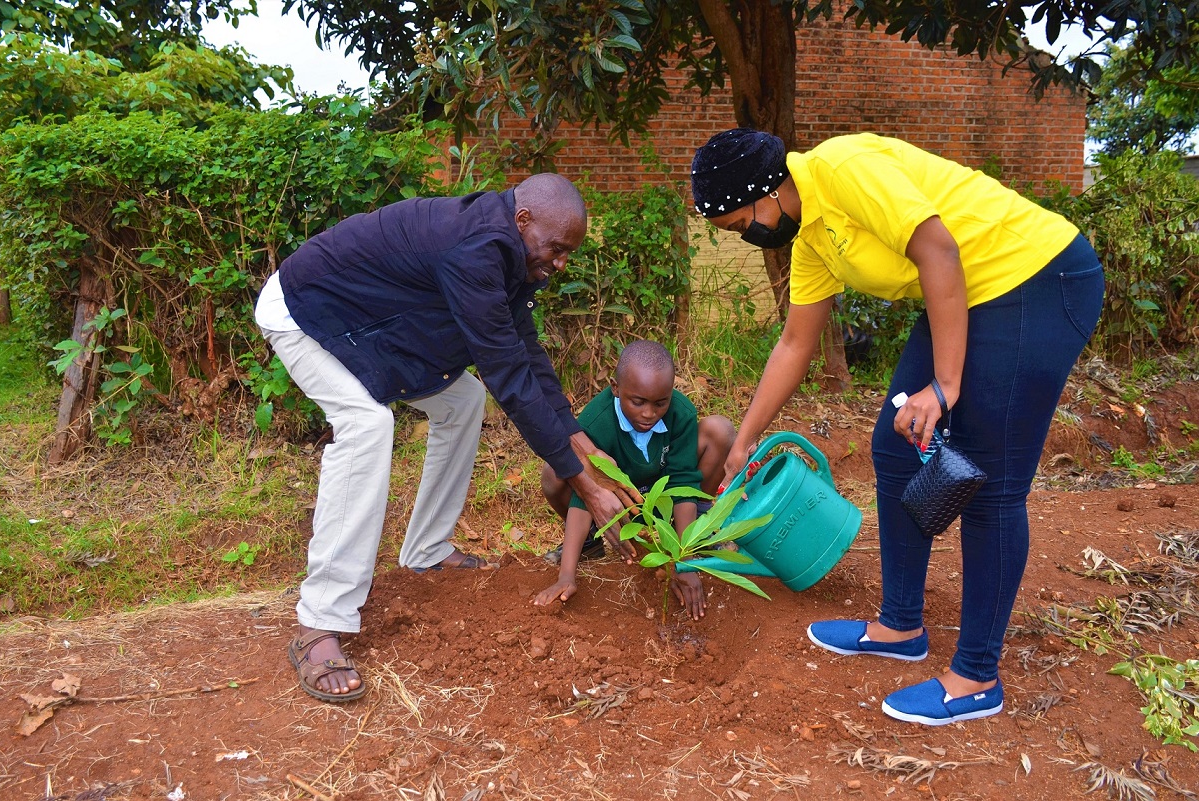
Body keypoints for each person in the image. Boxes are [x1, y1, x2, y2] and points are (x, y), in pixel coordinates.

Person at [691, 128, 1104, 725]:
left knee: (988, 480)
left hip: (1035, 278)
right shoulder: (809, 236)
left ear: (767, 189)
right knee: (895, 444)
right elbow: (794, 342)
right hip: (970, 292)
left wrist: (946, 386)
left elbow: (937, 249)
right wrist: (746, 438)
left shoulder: (842, 168)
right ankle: (900, 624)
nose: (747, 236)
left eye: (740, 223)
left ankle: (976, 677)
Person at [255, 174, 639, 703]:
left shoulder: (516, 254)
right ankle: (319, 621)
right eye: (557, 248)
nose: (561, 262)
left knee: (463, 401)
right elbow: (506, 371)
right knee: (368, 425)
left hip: (374, 322)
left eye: (568, 252)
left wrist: (578, 438)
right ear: (523, 220)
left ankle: (426, 550)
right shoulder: (477, 249)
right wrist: (585, 485)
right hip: (307, 311)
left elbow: (525, 350)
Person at [533, 340, 735, 620]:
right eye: (638, 402)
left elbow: (681, 483)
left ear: (671, 393)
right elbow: (584, 494)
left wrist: (684, 561)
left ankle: (693, 534)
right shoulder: (596, 421)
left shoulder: (681, 413)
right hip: (613, 503)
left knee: (720, 430)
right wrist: (566, 575)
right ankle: (590, 541)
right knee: (555, 472)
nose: (649, 414)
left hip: (662, 499)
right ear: (616, 389)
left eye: (660, 403)